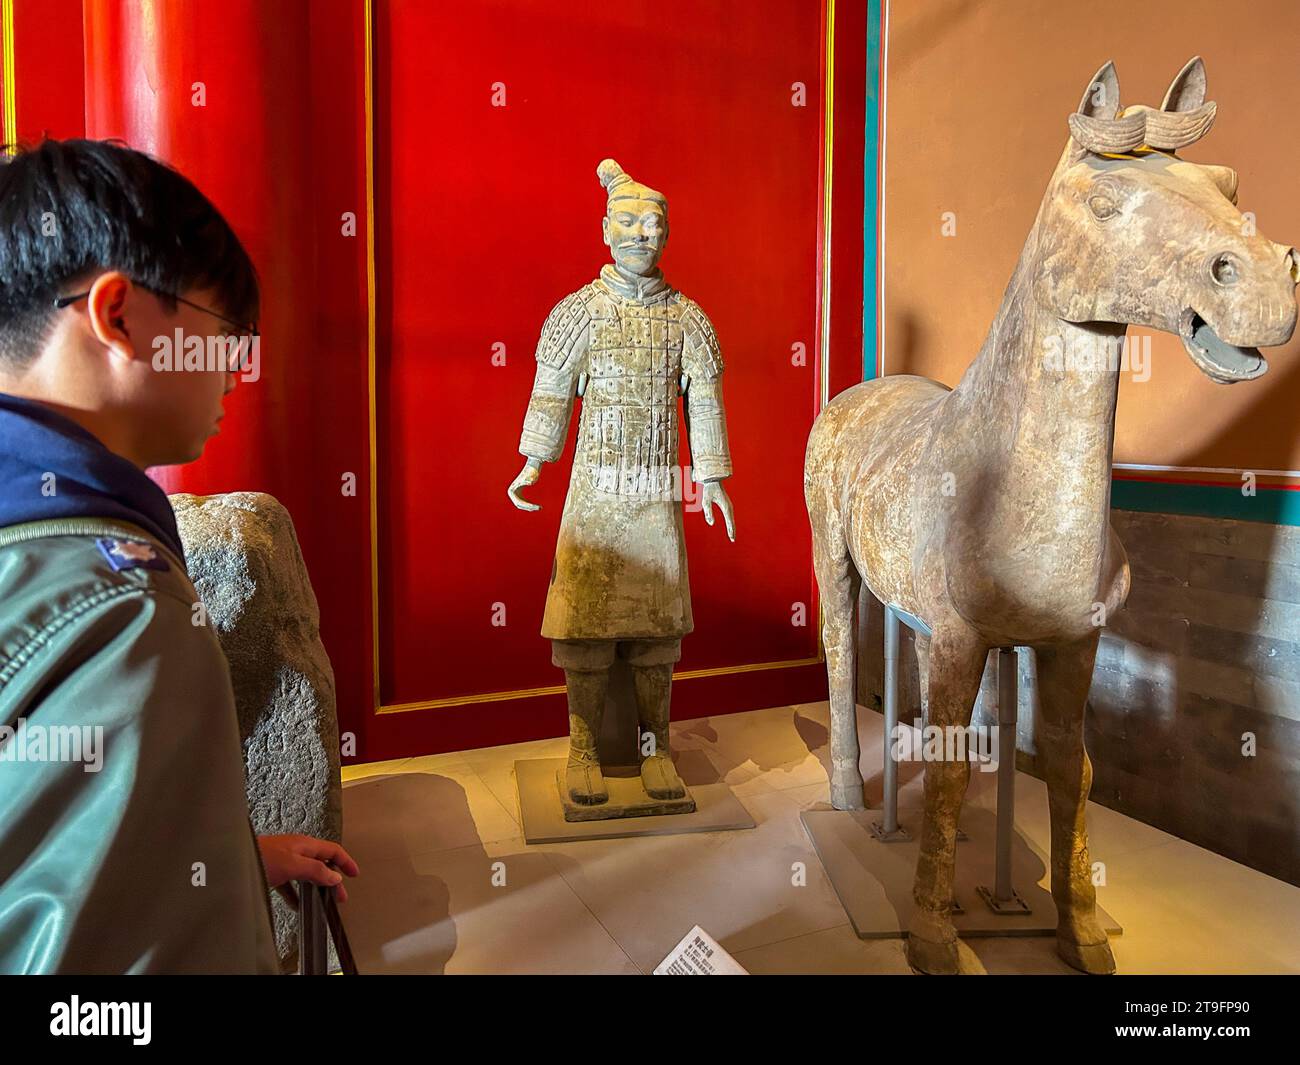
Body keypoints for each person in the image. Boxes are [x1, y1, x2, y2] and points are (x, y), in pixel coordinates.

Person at [0, 138, 358, 974]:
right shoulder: (119, 611)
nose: (239, 370)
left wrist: (218, 859)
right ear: (119, 314)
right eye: (228, 334)